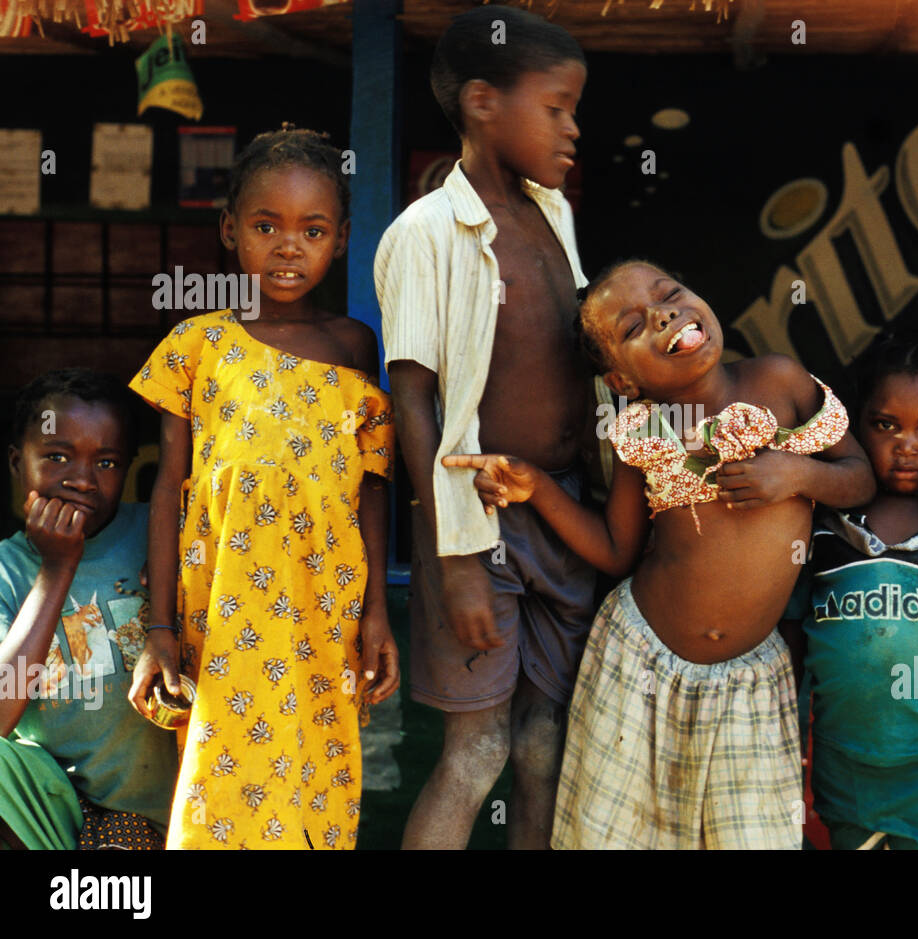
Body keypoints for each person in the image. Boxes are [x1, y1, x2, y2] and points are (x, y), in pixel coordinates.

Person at [446, 260, 875, 849]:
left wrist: (798, 474)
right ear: (623, 382)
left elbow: (858, 478)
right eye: (633, 327)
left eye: (671, 294)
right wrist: (538, 489)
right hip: (638, 663)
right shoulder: (641, 432)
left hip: (750, 681)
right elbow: (617, 552)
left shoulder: (779, 382)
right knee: (621, 833)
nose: (664, 314)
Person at [128, 126, 399, 850]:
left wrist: (376, 612)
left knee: (317, 770)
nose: (288, 246)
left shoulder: (354, 346)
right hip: (221, 600)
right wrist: (157, 629)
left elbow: (372, 485)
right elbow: (167, 490)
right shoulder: (197, 345)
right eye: (266, 225)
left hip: (324, 599)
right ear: (230, 230)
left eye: (311, 229)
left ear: (340, 239)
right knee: (219, 774)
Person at [375, 5, 595, 850]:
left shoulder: (554, 214)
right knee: (479, 751)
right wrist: (456, 558)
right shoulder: (424, 234)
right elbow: (414, 405)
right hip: (476, 525)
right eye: (556, 106)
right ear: (481, 102)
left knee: (545, 744)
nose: (573, 129)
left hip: (563, 512)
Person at [783, 327, 918, 850]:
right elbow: (792, 643)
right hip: (845, 769)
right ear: (853, 425)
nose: (907, 445)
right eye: (886, 425)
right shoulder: (823, 528)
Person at [0, 369, 177, 849]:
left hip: (166, 812)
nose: (81, 480)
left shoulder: (160, 535)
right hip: (54, 812)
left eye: (106, 462)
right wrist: (57, 569)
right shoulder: (7, 569)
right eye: (57, 457)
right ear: (18, 464)